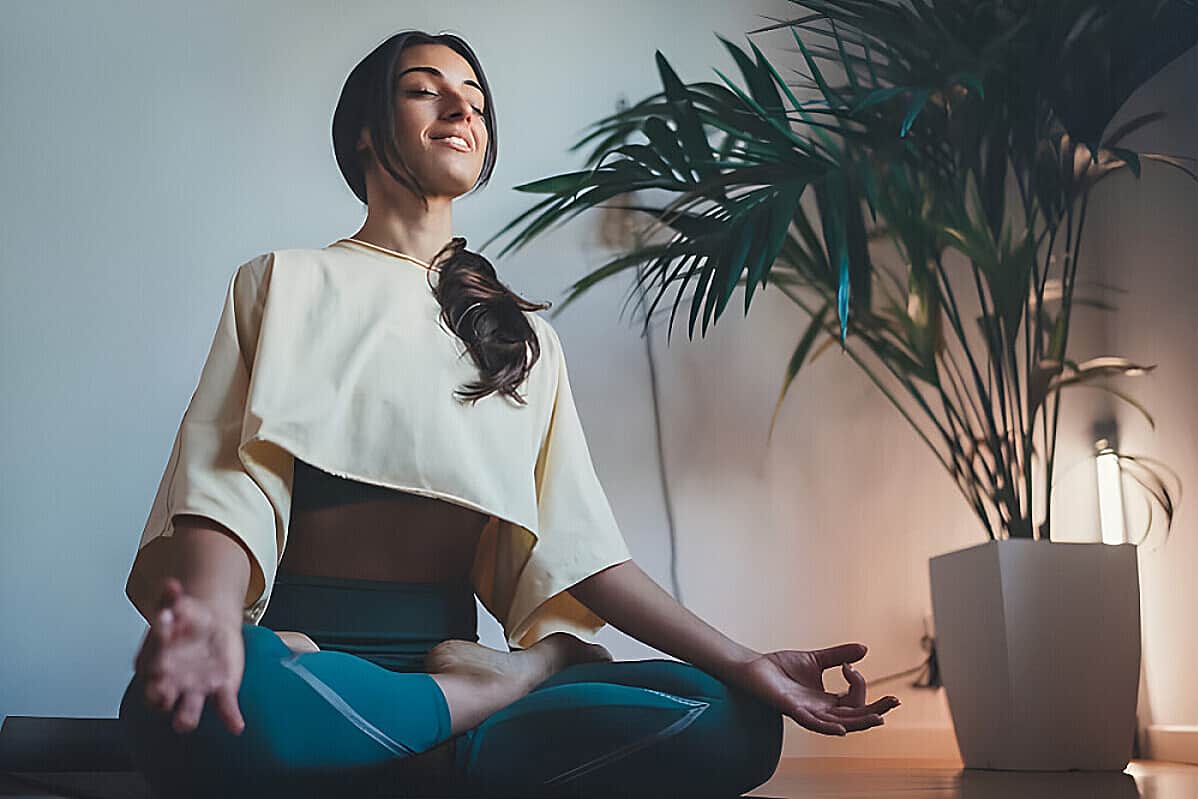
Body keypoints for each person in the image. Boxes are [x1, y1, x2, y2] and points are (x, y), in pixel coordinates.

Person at [117, 29, 900, 799]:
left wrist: (744, 662)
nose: (460, 108)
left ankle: (403, 726)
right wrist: (217, 624)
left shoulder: (525, 342)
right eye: (426, 88)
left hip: (445, 655)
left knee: (736, 720)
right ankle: (477, 709)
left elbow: (585, 553)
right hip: (301, 657)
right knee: (206, 705)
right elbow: (229, 481)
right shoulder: (281, 284)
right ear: (362, 132)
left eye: (477, 102)